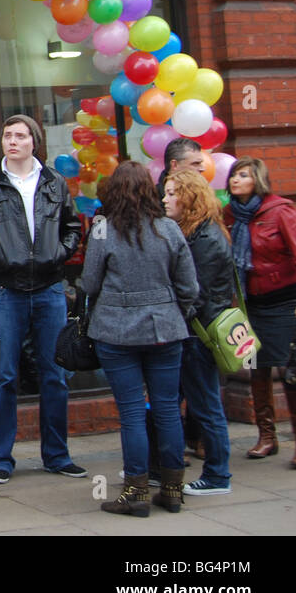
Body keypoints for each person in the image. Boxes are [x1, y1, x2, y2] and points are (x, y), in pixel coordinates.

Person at [0, 113, 84, 484]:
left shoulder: (54, 183)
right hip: (3, 291)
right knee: (2, 377)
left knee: (56, 375)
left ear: (34, 142)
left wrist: (58, 253)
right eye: (7, 135)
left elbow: (73, 226)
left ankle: (57, 455)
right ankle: (1, 458)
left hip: (49, 290)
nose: (12, 141)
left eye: (20, 136)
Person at [83, 161, 200, 516]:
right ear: (149, 190)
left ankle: (135, 494)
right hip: (165, 328)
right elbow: (190, 286)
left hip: (116, 332)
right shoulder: (169, 228)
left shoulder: (103, 230)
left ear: (114, 192)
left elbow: (89, 284)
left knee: (132, 413)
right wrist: (172, 307)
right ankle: (172, 490)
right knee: (167, 409)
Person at [225, 156, 296, 467]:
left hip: (284, 302)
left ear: (257, 179)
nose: (235, 180)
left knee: (292, 372)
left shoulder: (279, 211)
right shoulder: (230, 215)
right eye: (233, 175)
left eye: (242, 175)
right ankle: (266, 437)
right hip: (249, 304)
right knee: (256, 368)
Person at [163, 168, 235, 495]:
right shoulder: (193, 231)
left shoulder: (205, 237)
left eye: (172, 192)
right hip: (191, 331)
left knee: (206, 407)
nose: (166, 199)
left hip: (198, 335)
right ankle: (162, 465)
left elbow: (196, 294)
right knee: (175, 402)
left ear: (189, 196)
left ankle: (218, 476)